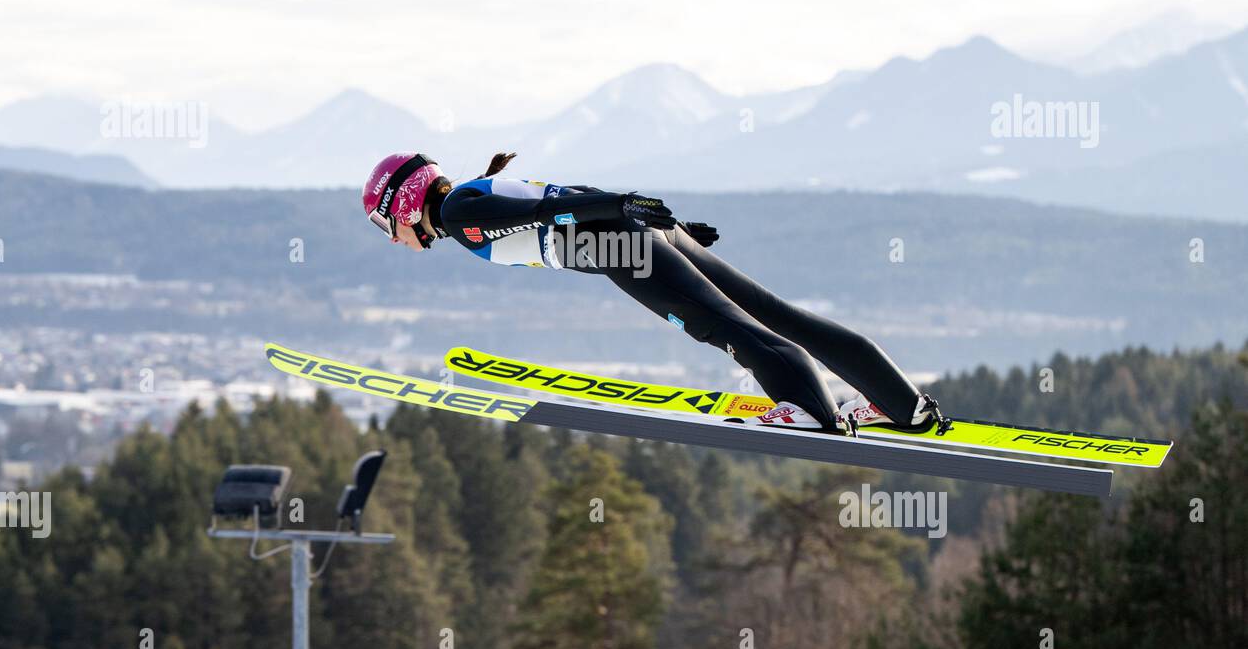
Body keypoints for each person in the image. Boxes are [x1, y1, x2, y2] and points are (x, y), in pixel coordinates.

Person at [361, 150, 943, 435]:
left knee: (724, 326)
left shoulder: (462, 211)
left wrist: (622, 209)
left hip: (622, 245)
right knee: (777, 315)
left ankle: (814, 413)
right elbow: (561, 199)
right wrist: (675, 230)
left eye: (384, 226)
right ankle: (903, 406)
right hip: (638, 236)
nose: (392, 239)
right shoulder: (470, 198)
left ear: (403, 206)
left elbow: (551, 209)